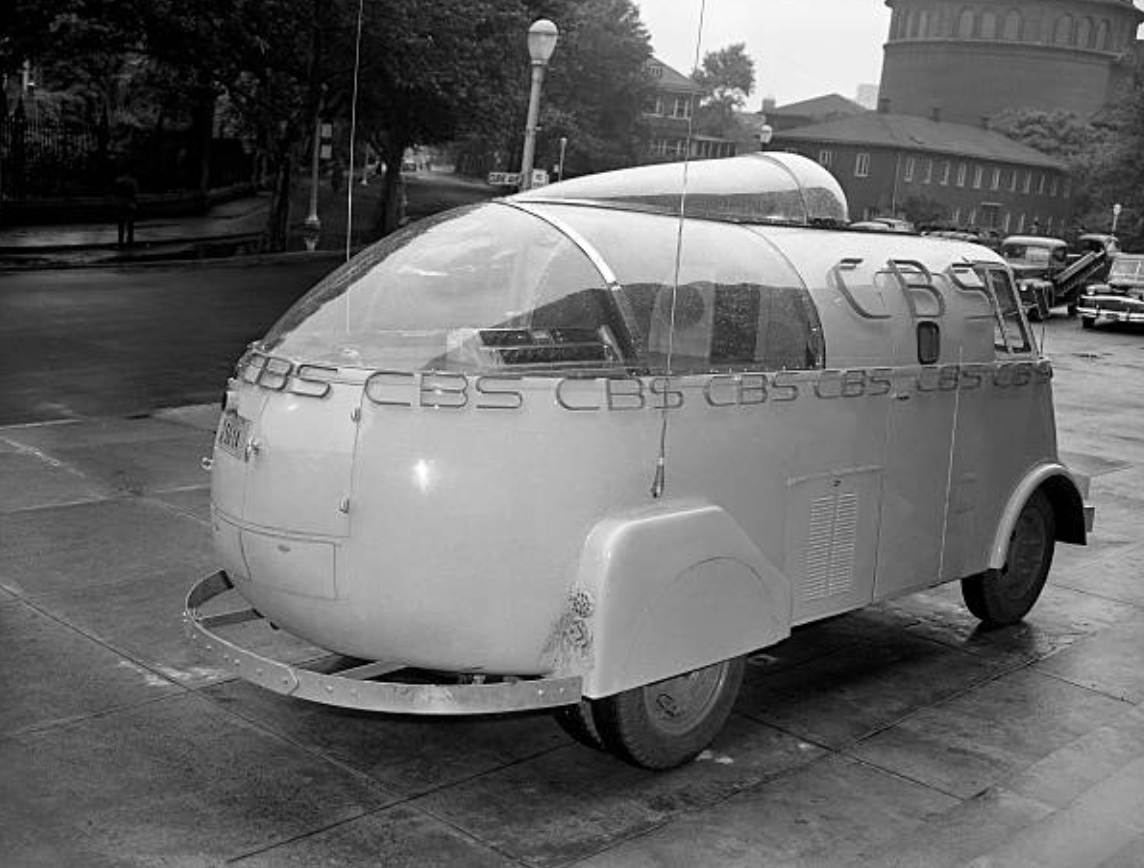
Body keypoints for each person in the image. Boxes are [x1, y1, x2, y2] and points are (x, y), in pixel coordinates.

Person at [111, 172, 138, 248]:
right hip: (130, 205)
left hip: (121, 204)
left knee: (121, 225)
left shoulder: (118, 181)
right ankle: (130, 241)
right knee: (130, 225)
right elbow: (135, 193)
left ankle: (121, 242)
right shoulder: (132, 181)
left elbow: (115, 192)